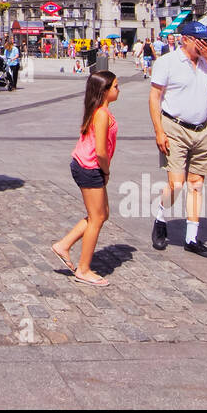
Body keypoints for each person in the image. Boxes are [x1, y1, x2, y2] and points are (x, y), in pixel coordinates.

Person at [148, 20, 207, 258]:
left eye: (206, 39)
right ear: (185, 39)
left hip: (202, 129)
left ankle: (192, 238)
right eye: (199, 39)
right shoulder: (167, 62)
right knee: (176, 184)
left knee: (196, 184)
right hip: (174, 126)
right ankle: (161, 218)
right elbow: (155, 98)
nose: (204, 44)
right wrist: (158, 131)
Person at [52, 70, 119, 285]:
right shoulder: (101, 114)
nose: (119, 90)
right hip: (89, 167)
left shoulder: (99, 111)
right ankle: (84, 269)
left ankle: (64, 245)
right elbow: (100, 151)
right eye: (116, 87)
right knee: (97, 218)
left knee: (101, 214)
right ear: (105, 91)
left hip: (87, 166)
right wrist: (106, 171)